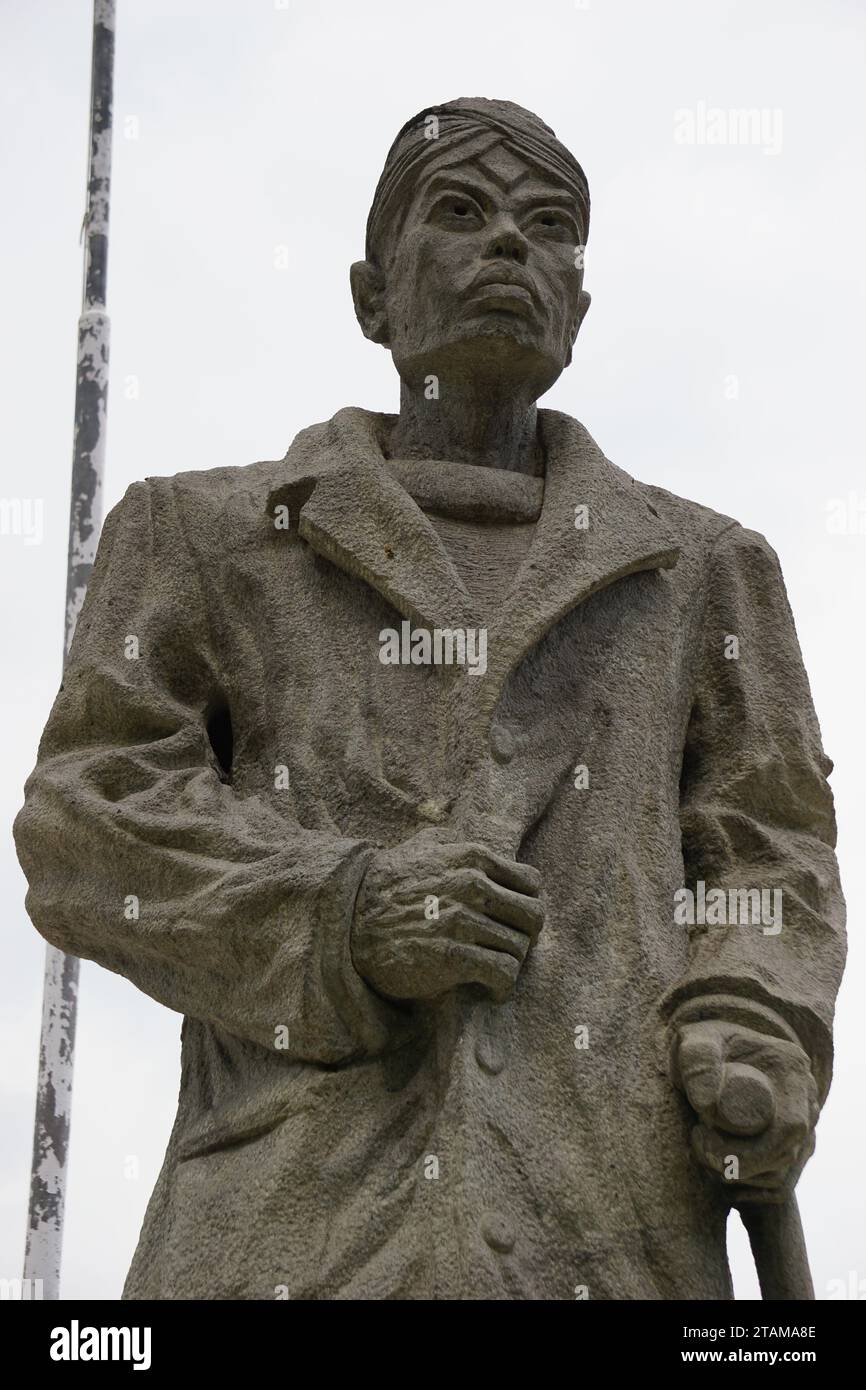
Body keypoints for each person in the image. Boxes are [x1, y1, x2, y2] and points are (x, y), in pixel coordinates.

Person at [15, 98, 846, 1300]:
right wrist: (343, 912)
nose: (512, 243)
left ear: (581, 305)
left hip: (613, 1243)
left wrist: (752, 1012)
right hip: (282, 1241)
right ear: (372, 299)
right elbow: (85, 821)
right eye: (460, 212)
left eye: (550, 224)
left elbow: (769, 848)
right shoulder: (203, 535)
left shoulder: (706, 569)